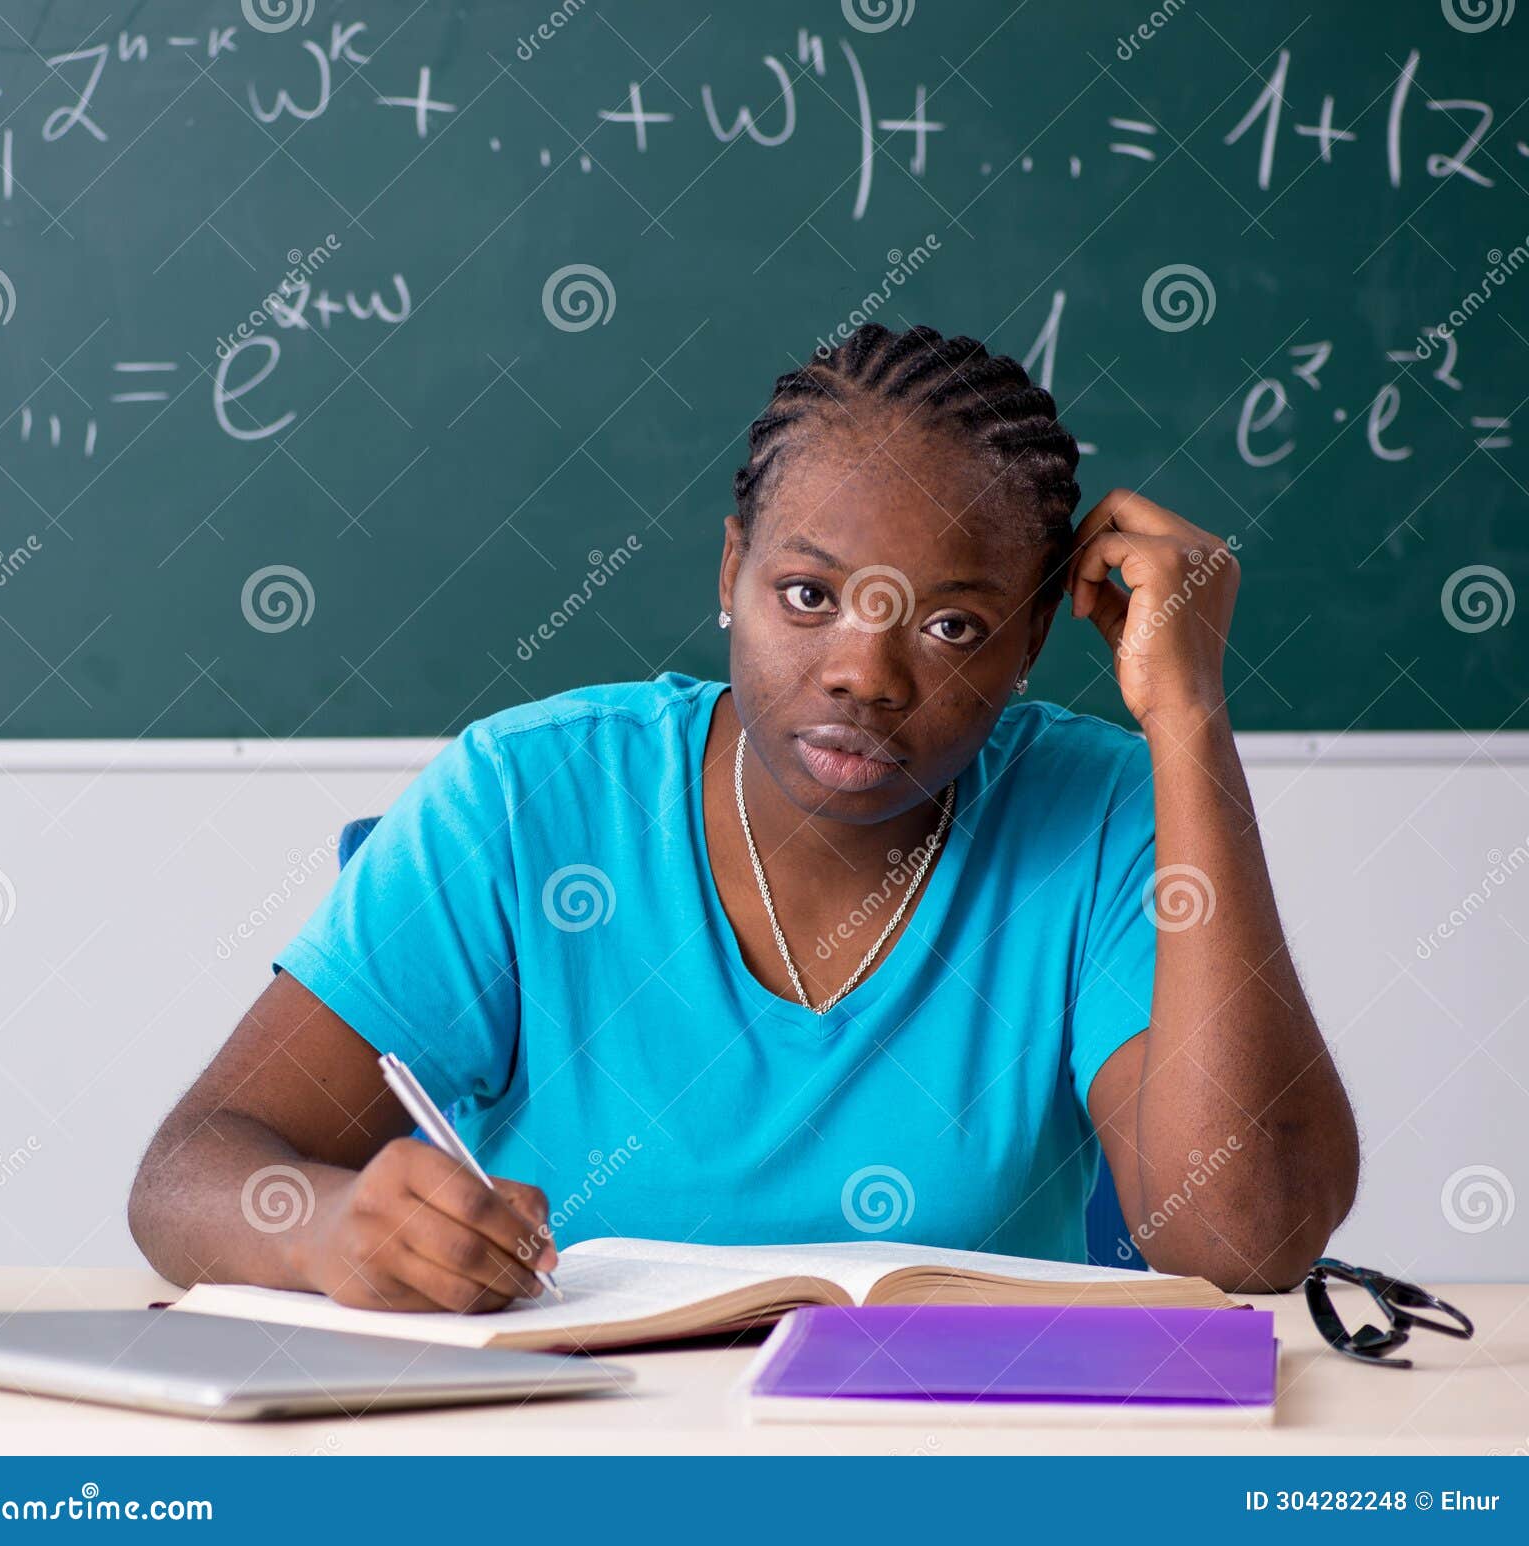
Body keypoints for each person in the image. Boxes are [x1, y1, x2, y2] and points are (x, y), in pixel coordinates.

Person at [129, 323, 1358, 1310]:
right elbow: (187, 1170)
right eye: (808, 593)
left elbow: (1243, 1238)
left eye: (951, 625)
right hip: (575, 1460)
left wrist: (1186, 716)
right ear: (730, 573)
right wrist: (332, 1228)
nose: (865, 674)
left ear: (1036, 637)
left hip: (954, 1465)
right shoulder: (526, 797)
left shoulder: (1099, 815)